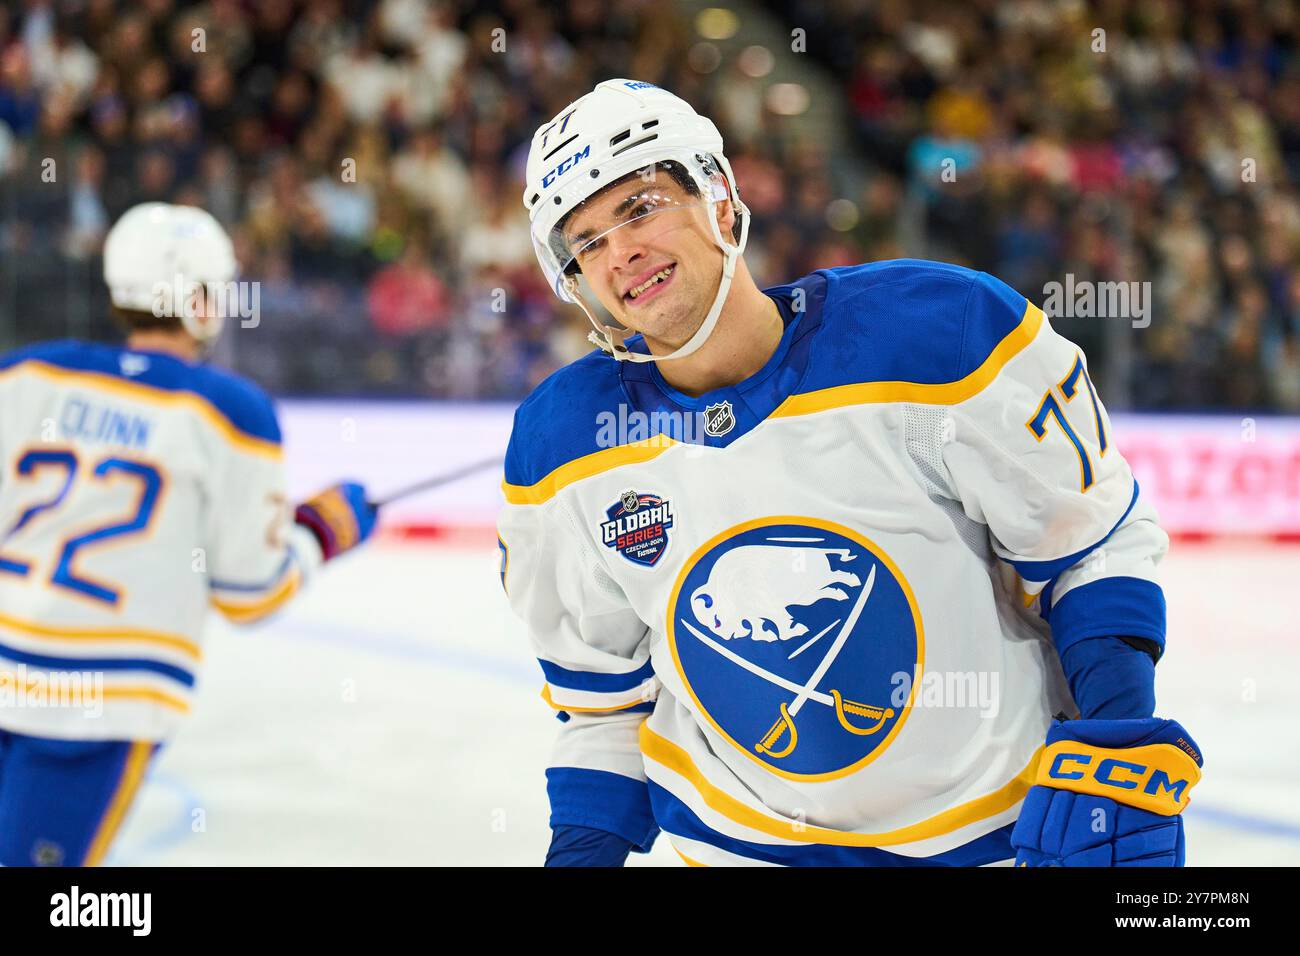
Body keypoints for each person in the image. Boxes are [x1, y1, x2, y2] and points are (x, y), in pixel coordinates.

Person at [497, 80, 1202, 867]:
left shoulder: (939, 336)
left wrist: (1118, 742)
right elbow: (604, 709)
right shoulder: (561, 451)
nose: (620, 252)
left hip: (1000, 839)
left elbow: (1085, 547)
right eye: (587, 241)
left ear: (721, 199)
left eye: (641, 207)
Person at [0, 202, 376, 866]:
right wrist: (320, 531)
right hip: (98, 708)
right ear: (202, 299)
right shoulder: (230, 411)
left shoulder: (28, 373)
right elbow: (251, 592)